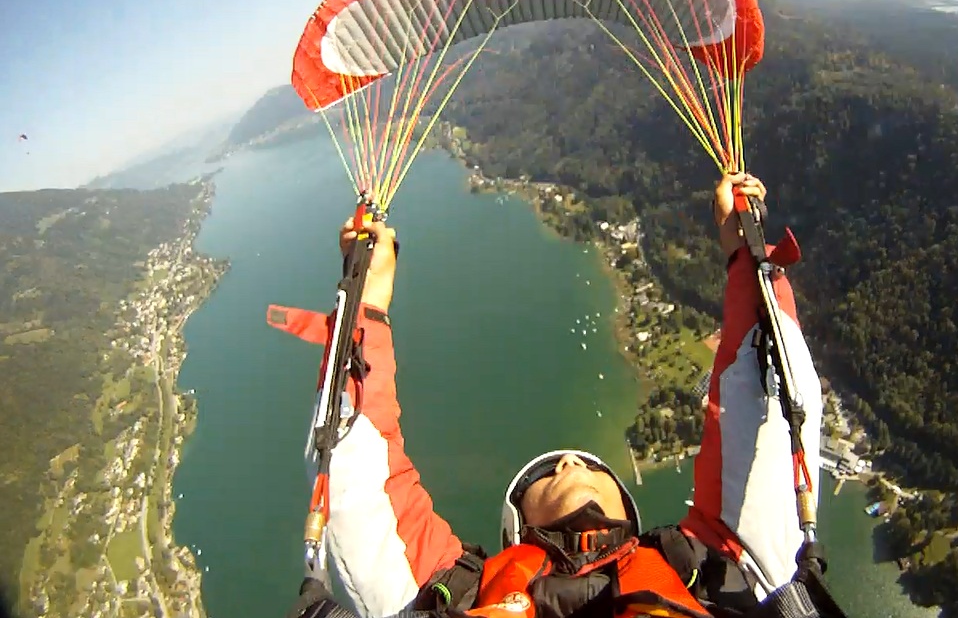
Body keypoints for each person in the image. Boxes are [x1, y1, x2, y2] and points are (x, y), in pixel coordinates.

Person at [294, 172, 827, 618]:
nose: (570, 460)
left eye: (557, 468)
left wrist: (366, 306)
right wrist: (745, 254)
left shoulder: (441, 598)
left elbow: (355, 474)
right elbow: (772, 409)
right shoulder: (726, 575)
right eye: (550, 472)